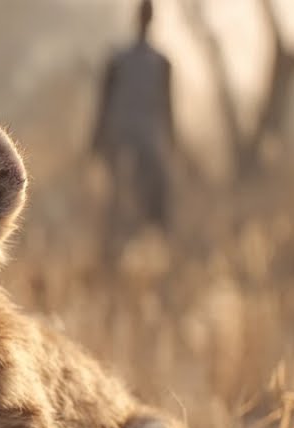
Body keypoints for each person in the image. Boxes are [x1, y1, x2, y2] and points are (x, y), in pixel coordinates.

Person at [91, 0, 176, 258]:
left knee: (140, 200)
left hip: (138, 139)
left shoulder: (160, 62)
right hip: (130, 140)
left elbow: (168, 107)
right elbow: (103, 103)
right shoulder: (124, 60)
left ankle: (139, 253)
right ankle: (111, 254)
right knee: (122, 201)